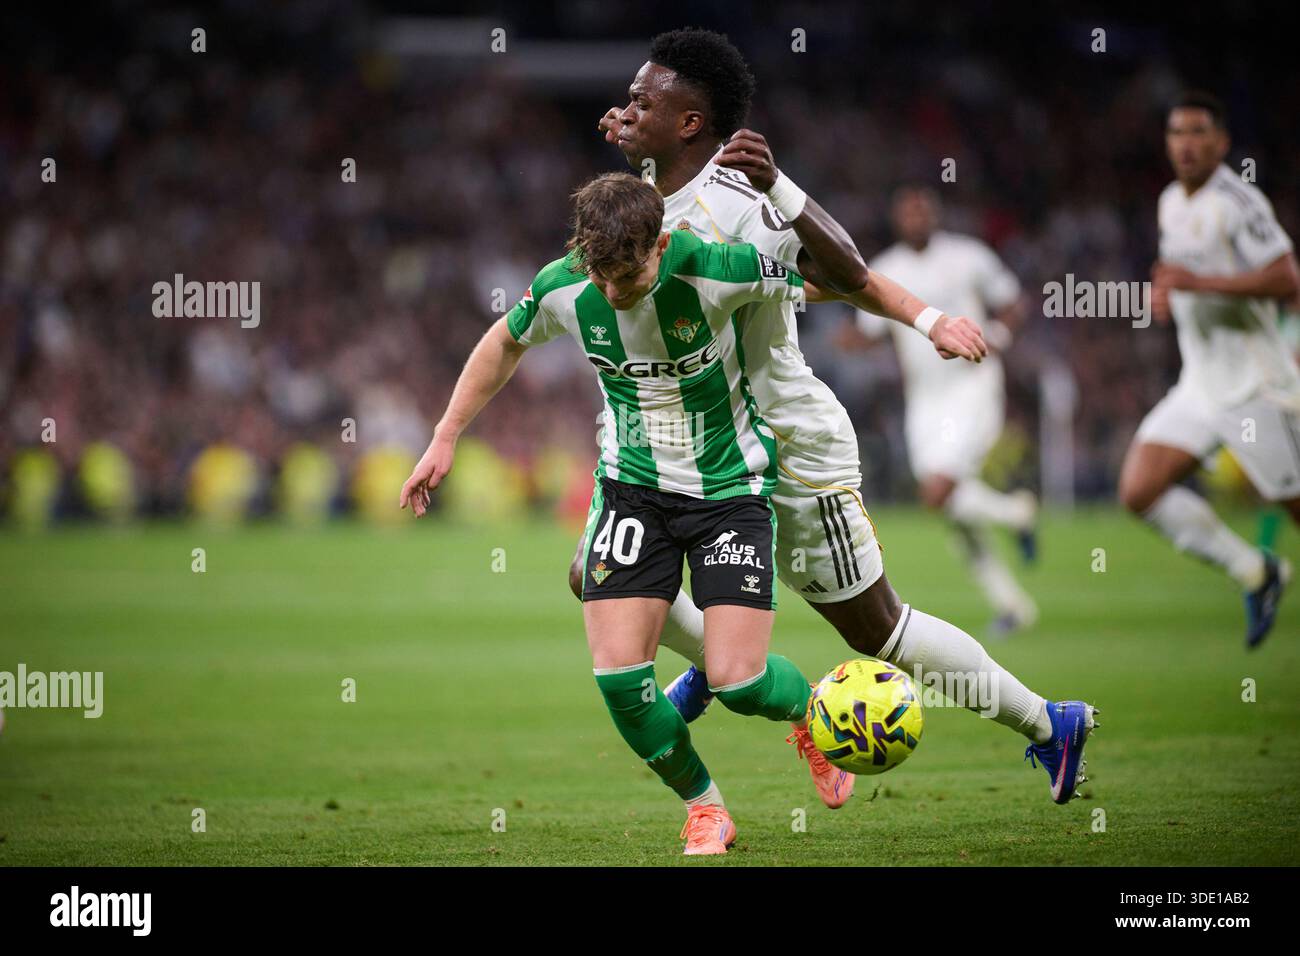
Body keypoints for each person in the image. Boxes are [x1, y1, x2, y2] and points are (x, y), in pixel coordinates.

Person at [582, 28, 1095, 806]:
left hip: (784, 446)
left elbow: (845, 273)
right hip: (690, 447)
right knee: (594, 574)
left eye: (643, 101)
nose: (625, 109)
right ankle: (726, 665)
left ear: (692, 123)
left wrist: (921, 316)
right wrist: (638, 156)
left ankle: (1050, 723)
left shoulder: (744, 204)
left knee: (876, 629)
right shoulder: (659, 192)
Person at [402, 171, 867, 854]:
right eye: (602, 276)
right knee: (620, 677)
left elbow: (836, 279)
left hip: (729, 489)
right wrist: (445, 435)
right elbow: (504, 339)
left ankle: (809, 715)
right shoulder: (567, 284)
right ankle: (706, 808)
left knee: (738, 681)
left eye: (626, 275)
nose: (613, 291)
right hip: (632, 489)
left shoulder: (711, 267)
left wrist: (922, 316)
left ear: (659, 244)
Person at [1121, 91, 1300, 647]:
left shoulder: (1239, 203)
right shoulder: (1171, 201)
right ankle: (1256, 571)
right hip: (1200, 384)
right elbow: (1181, 273)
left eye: (1199, 132)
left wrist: (1197, 285)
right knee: (1140, 490)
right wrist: (1169, 296)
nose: (1187, 143)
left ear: (1222, 143)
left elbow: (1285, 279)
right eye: (1177, 133)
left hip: (1256, 386)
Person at [856, 185, 1039, 635]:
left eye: (923, 209)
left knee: (938, 494)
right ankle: (1012, 601)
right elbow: (868, 326)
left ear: (935, 214)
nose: (916, 217)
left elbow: (1014, 300)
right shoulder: (886, 268)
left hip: (972, 387)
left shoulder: (967, 255)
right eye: (908, 211)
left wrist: (998, 334)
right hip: (924, 400)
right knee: (953, 512)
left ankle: (1017, 515)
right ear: (898, 219)